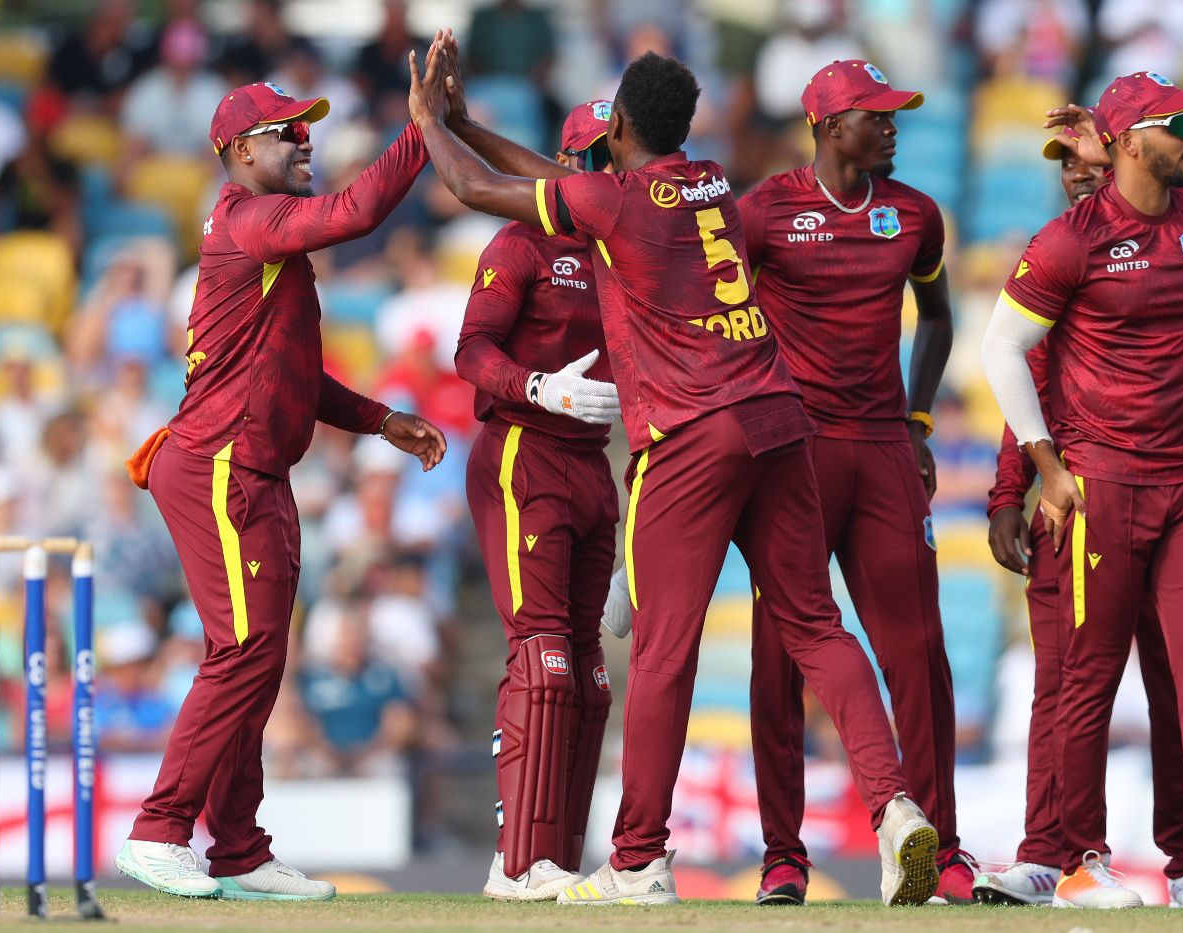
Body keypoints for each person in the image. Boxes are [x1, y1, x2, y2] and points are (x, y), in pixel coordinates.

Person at [410, 34, 939, 907]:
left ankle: (639, 858)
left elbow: (471, 188)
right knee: (818, 625)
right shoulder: (713, 186)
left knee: (661, 648)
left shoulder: (614, 204)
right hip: (778, 415)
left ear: (615, 126)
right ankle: (895, 810)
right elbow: (559, 177)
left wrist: (431, 121)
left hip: (691, 434)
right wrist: (469, 120)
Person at [113, 81, 446, 901]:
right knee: (244, 655)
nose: (303, 141)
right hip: (220, 466)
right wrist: (420, 131)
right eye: (283, 132)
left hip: (254, 469)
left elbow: (292, 375)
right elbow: (359, 212)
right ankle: (159, 830)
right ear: (236, 153)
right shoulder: (247, 220)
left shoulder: (269, 242)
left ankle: (238, 848)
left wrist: (380, 420)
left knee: (257, 663)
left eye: (305, 130)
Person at [981, 72, 1183, 909]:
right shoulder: (1071, 238)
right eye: (1177, 122)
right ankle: (1078, 863)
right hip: (1100, 485)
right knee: (1087, 680)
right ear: (1128, 141)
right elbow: (1003, 350)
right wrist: (1040, 470)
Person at [736, 60, 968, 905]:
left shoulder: (915, 215)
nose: (894, 126)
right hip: (793, 454)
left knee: (918, 651)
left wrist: (917, 417)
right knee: (779, 654)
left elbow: (937, 318)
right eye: (879, 116)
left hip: (879, 448)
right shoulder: (761, 211)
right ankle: (783, 854)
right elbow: (709, 309)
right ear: (832, 126)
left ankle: (939, 849)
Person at [454, 100, 621, 901]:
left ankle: (556, 856)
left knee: (589, 675)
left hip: (594, 463)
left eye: (613, 162)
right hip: (524, 452)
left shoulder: (633, 250)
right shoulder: (521, 240)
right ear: (565, 166)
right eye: (592, 162)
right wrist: (539, 387)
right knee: (545, 659)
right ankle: (516, 862)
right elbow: (470, 350)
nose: (606, 178)